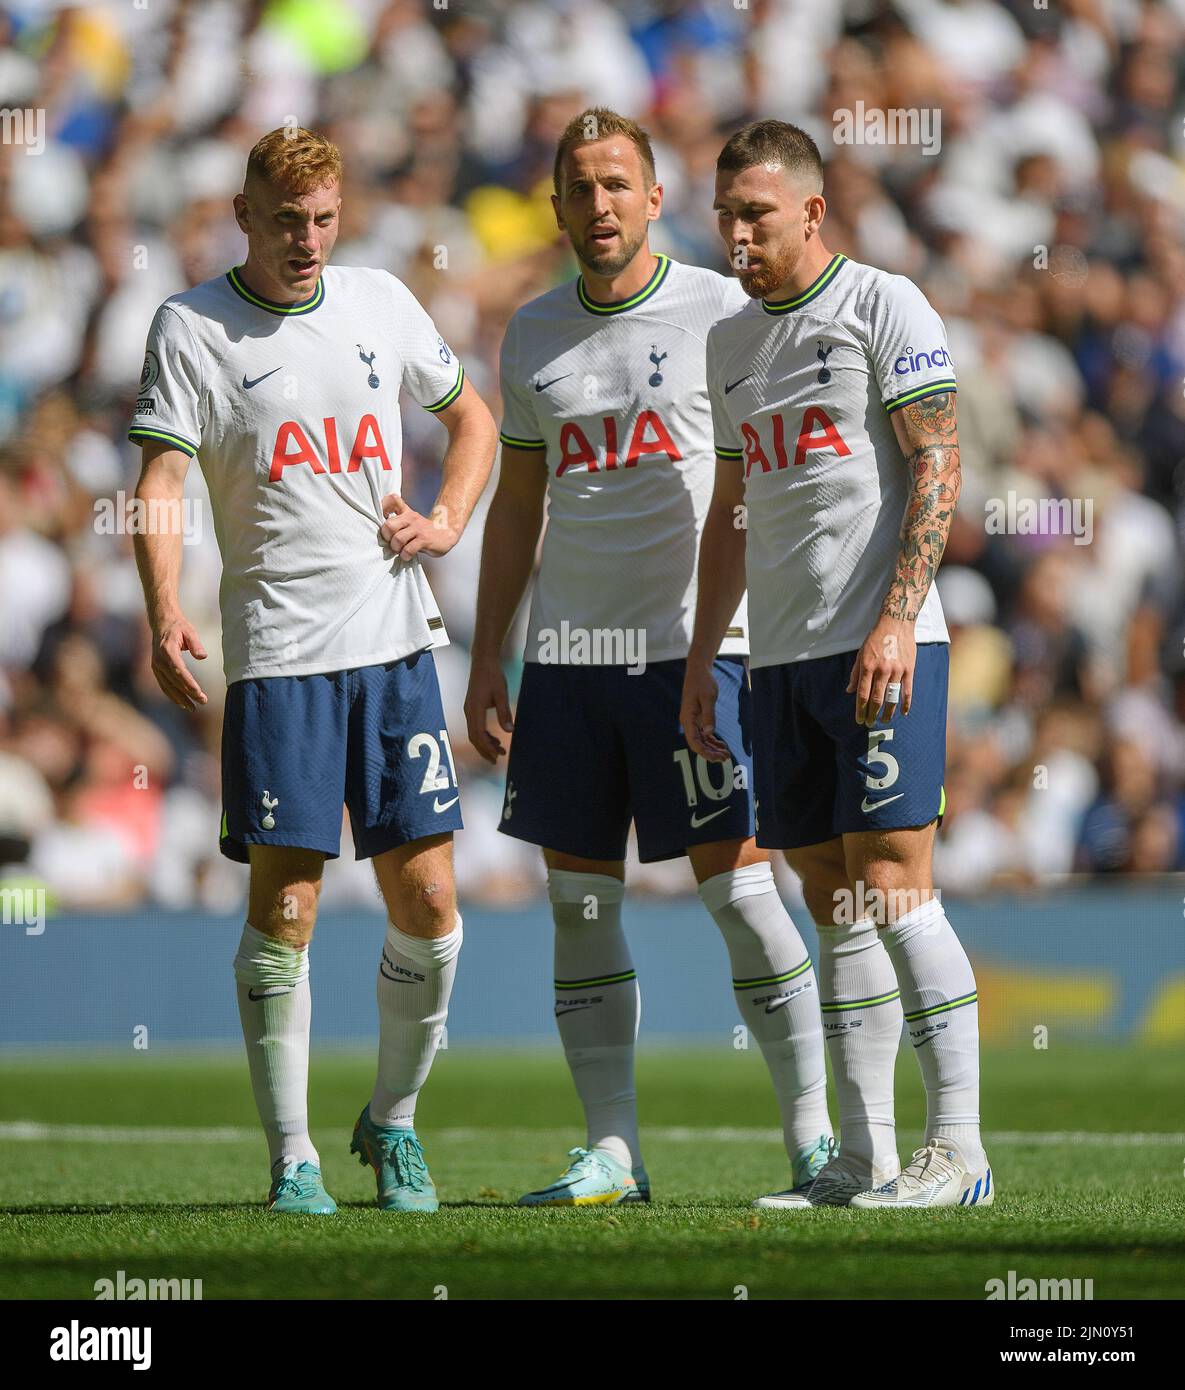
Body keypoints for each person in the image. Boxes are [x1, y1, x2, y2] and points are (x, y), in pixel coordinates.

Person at [465, 108, 833, 1208]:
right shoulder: (531, 332)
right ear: (558, 206)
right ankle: (612, 1151)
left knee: (741, 893)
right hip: (570, 661)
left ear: (655, 196)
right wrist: (491, 655)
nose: (600, 205)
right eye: (580, 188)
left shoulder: (722, 307)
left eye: (618, 184)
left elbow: (770, 468)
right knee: (580, 907)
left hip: (697, 650)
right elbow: (518, 497)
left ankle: (817, 1143)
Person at [129, 128, 496, 1214]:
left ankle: (391, 1123)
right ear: (245, 212)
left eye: (325, 217)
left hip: (392, 643)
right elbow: (160, 477)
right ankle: (292, 1154)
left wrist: (445, 518)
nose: (308, 239)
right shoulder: (191, 325)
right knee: (286, 904)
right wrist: (162, 607)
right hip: (281, 655)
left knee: (430, 899)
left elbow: (471, 418)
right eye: (288, 218)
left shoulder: (382, 301)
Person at [683, 119, 992, 1209]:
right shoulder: (730, 345)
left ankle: (959, 1151)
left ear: (811, 211)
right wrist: (700, 656)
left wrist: (900, 619)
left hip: (883, 646)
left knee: (898, 885)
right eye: (726, 215)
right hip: (779, 660)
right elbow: (732, 514)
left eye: (755, 214)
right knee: (833, 900)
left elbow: (936, 465)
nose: (736, 235)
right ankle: (860, 1157)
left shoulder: (883, 303)